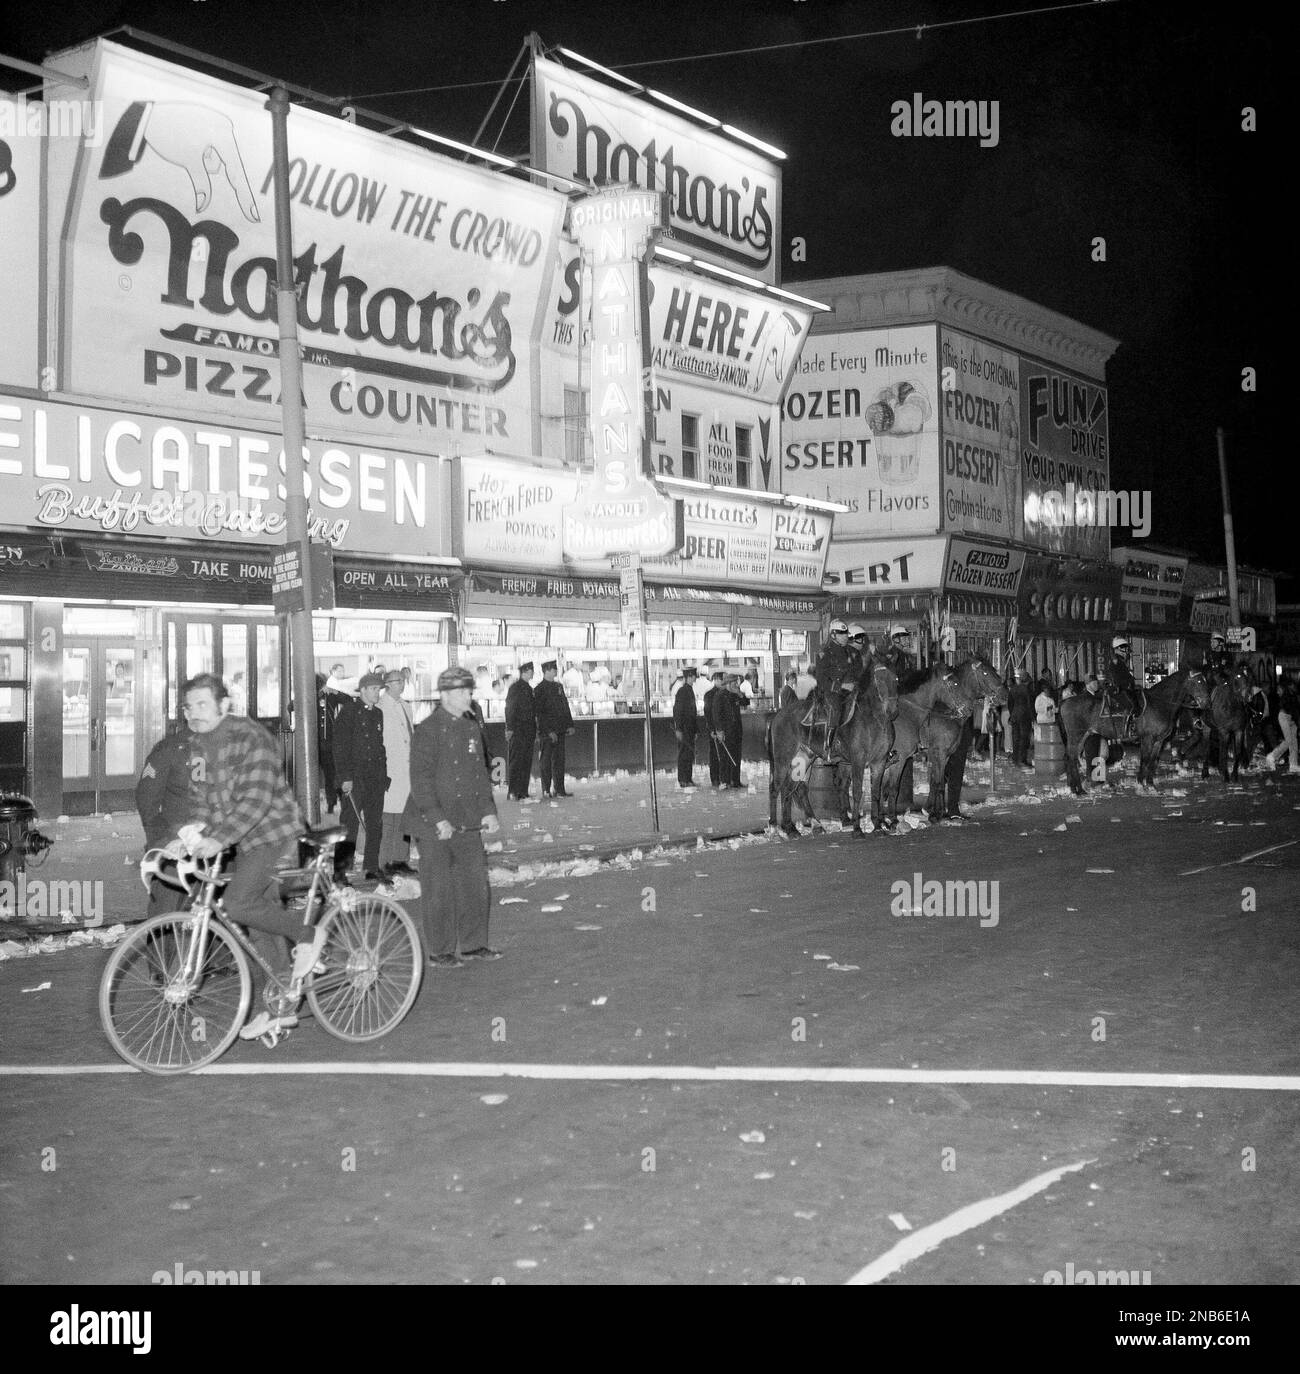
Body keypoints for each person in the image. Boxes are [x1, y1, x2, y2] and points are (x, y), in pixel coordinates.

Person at [178, 673, 314, 1042]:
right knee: (257, 925)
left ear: (225, 705)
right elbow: (200, 800)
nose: (194, 713)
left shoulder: (251, 737)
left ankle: (308, 934)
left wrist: (219, 839)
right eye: (189, 706)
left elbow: (255, 799)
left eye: (203, 704)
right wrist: (192, 833)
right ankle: (279, 1008)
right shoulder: (197, 747)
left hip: (276, 835)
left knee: (237, 904)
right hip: (245, 841)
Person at [403, 665, 502, 968]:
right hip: (433, 822)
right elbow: (420, 780)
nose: (468, 696)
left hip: (467, 818)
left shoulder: (471, 727)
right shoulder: (428, 730)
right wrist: (437, 819)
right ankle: (440, 950)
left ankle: (473, 944)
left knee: (475, 884)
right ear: (445, 695)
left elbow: (479, 773)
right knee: (439, 888)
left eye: (469, 690)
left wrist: (488, 811)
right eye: (462, 691)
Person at [135, 721, 202, 916]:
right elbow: (147, 799)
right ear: (188, 714)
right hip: (174, 848)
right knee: (166, 915)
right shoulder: (171, 748)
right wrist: (160, 842)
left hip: (213, 846)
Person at [332, 672, 389, 884]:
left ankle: (371, 867)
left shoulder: (378, 714)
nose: (377, 693)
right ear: (363, 690)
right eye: (374, 689)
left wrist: (384, 775)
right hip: (355, 778)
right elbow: (340, 747)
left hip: (375, 778)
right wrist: (345, 777)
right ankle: (340, 873)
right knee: (350, 827)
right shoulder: (348, 712)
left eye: (379, 689)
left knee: (375, 824)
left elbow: (379, 746)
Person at [378, 670, 414, 876]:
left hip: (407, 769)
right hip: (391, 769)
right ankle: (385, 861)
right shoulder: (381, 708)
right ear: (388, 684)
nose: (402, 684)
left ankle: (401, 858)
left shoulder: (406, 706)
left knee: (406, 816)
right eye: (398, 681)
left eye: (402, 681)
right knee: (389, 818)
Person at [812, 619, 857, 755]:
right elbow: (821, 680)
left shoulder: (849, 651)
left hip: (851, 690)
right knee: (836, 708)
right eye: (842, 634)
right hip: (831, 692)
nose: (845, 637)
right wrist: (840, 686)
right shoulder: (824, 654)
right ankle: (829, 746)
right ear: (833, 636)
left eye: (846, 634)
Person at [534, 660, 575, 798]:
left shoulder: (559, 686)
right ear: (546, 671)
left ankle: (559, 789)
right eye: (553, 669)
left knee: (559, 761)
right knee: (546, 762)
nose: (555, 672)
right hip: (547, 732)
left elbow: (565, 706)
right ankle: (546, 789)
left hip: (560, 728)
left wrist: (569, 724)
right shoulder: (539, 689)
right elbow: (539, 714)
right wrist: (547, 731)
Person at [504, 662, 538, 800]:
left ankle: (523, 790)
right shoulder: (515, 688)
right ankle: (513, 791)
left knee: (526, 761)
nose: (532, 673)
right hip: (518, 730)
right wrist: (510, 728)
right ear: (525, 671)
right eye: (531, 671)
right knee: (516, 761)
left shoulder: (529, 689)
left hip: (528, 730)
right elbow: (510, 709)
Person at [713, 673, 746, 789]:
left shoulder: (735, 695)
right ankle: (725, 781)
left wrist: (740, 693)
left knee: (736, 756)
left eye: (736, 683)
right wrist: (719, 730)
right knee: (725, 757)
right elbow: (716, 714)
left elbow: (746, 703)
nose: (736, 685)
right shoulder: (719, 696)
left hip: (736, 730)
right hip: (726, 731)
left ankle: (735, 780)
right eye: (734, 683)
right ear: (728, 683)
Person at [1265, 674, 1300, 774]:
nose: (1278, 692)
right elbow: (1286, 705)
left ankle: (1293, 764)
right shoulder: (1288, 695)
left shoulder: (1292, 694)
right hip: (1284, 716)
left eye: (1279, 690)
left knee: (1294, 741)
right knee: (1289, 740)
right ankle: (1272, 756)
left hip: (1292, 718)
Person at [673, 665, 700, 790]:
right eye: (694, 676)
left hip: (689, 728)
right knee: (684, 754)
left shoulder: (689, 690)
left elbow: (693, 712)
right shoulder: (682, 691)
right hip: (684, 728)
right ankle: (683, 779)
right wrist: (678, 728)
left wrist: (695, 729)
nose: (695, 679)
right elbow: (678, 711)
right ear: (689, 676)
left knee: (689, 754)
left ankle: (688, 778)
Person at [1007, 670, 1035, 768]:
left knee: (1015, 738)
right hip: (1025, 716)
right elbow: (1030, 704)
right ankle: (1022, 760)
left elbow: (1010, 704)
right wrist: (1033, 718)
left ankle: (1015, 759)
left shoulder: (1012, 689)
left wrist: (1012, 715)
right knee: (1024, 738)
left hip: (1015, 716)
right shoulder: (1027, 689)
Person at [703, 669, 726, 788]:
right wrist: (712, 729)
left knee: (722, 754)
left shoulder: (724, 693)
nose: (724, 682)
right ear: (716, 679)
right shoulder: (709, 694)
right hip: (713, 729)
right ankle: (715, 778)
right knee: (714, 754)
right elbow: (708, 712)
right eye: (722, 679)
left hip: (722, 728)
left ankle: (723, 777)